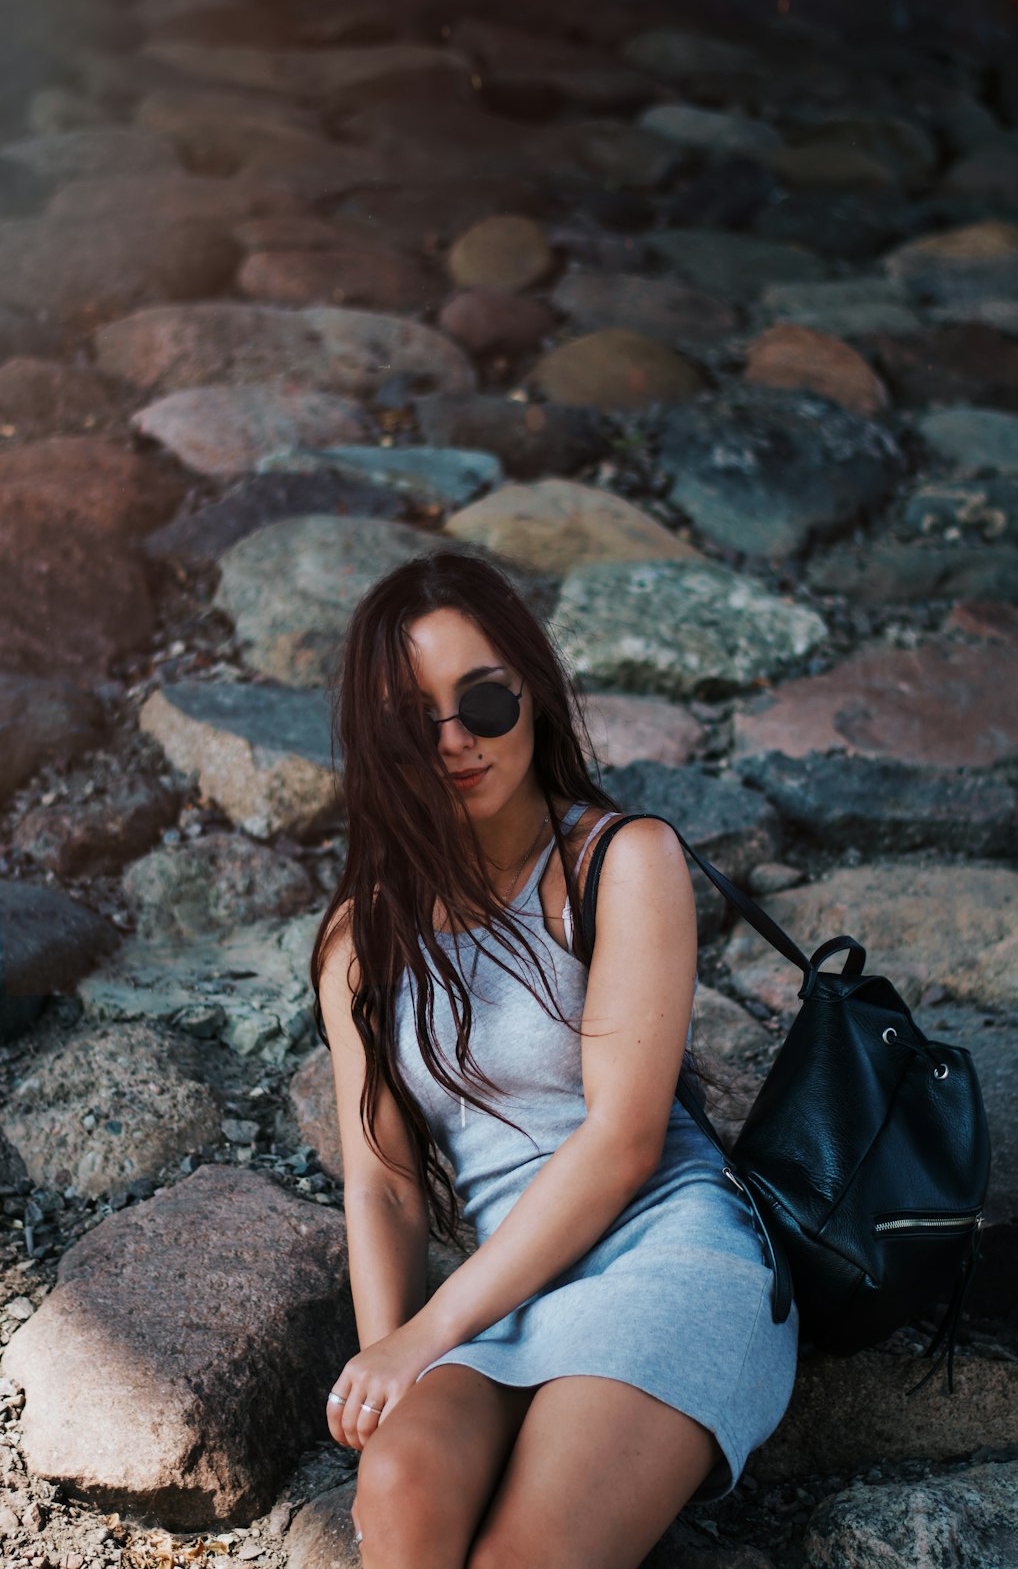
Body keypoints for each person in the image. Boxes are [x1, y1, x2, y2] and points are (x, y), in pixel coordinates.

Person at [310, 548, 798, 1569]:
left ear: (530, 694)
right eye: (416, 720)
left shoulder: (623, 862)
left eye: (483, 701)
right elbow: (386, 1184)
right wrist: (387, 1358)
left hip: (663, 1258)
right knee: (398, 1492)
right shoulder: (363, 939)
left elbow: (622, 1142)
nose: (458, 741)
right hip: (504, 1293)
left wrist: (428, 1329)